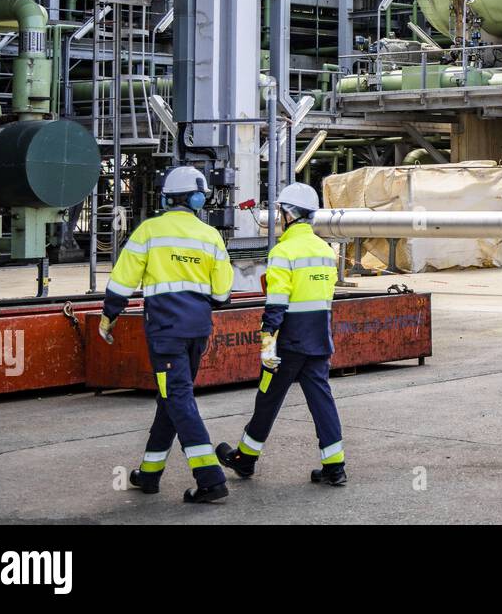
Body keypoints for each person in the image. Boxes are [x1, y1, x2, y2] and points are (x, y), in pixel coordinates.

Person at [99, 166, 234, 504]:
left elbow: (122, 281)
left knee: (177, 399)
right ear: (198, 198)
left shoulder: (149, 232)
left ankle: (210, 478)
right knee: (170, 399)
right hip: (198, 332)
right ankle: (149, 474)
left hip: (166, 333)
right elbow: (222, 295)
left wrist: (108, 316)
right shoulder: (211, 235)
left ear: (167, 197)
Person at [217, 182, 346, 486]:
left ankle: (245, 459)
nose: (277, 215)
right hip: (318, 341)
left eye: (279, 210)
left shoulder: (283, 251)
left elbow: (277, 304)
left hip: (288, 344)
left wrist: (266, 341)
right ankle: (335, 466)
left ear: (289, 213)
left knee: (268, 398)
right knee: (321, 401)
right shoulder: (325, 251)